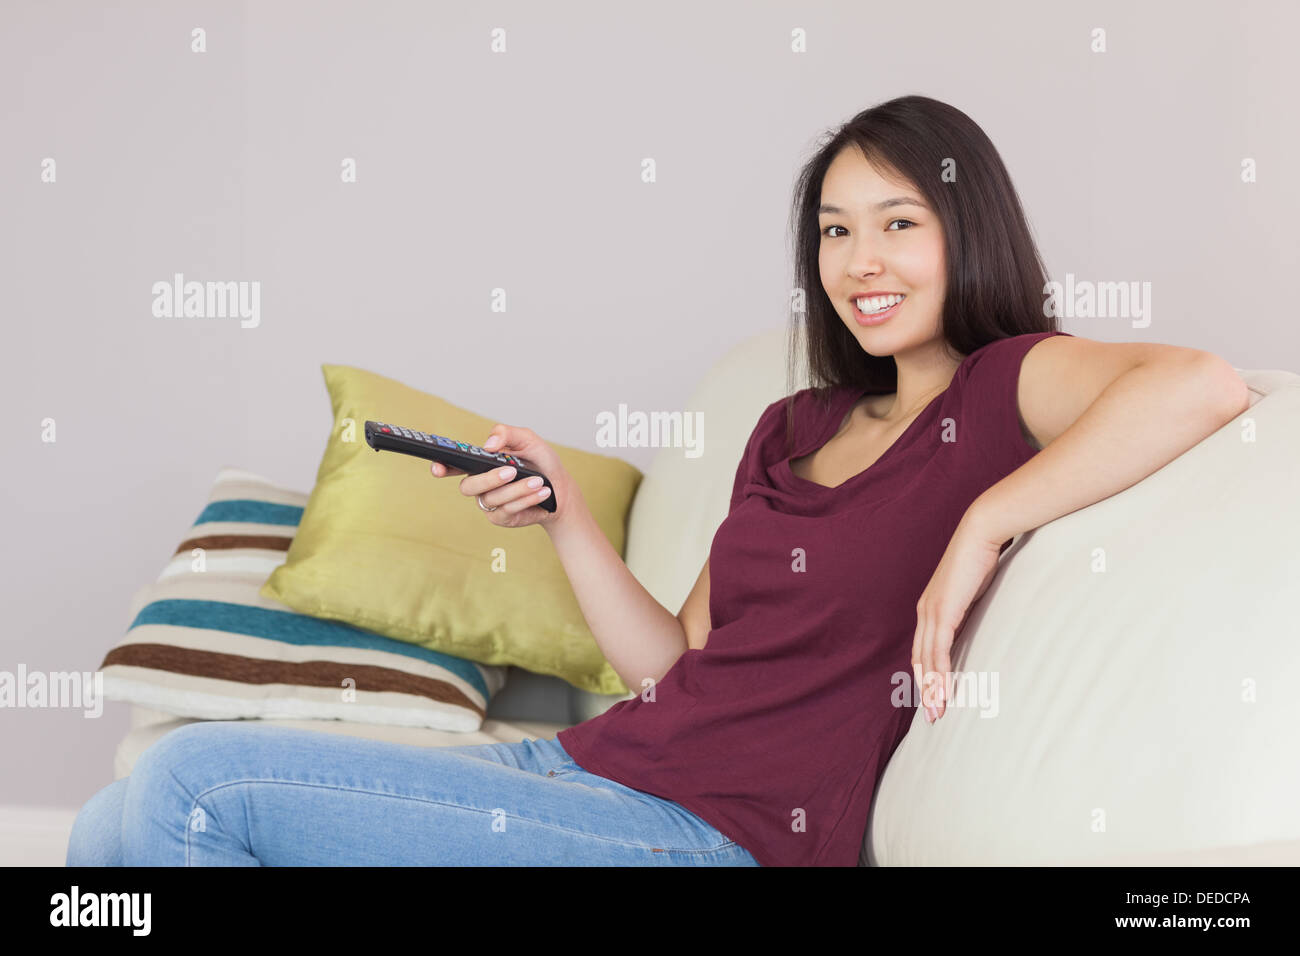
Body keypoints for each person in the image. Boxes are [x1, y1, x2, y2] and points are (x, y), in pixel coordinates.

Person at [67, 95, 1246, 867]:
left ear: (966, 231)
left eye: (899, 222)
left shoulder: (1002, 385)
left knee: (189, 783)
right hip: (594, 763)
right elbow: (676, 665)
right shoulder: (794, 423)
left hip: (710, 832)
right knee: (108, 824)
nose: (862, 260)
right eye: (835, 231)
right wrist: (568, 517)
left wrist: (986, 519)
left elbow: (1197, 382)